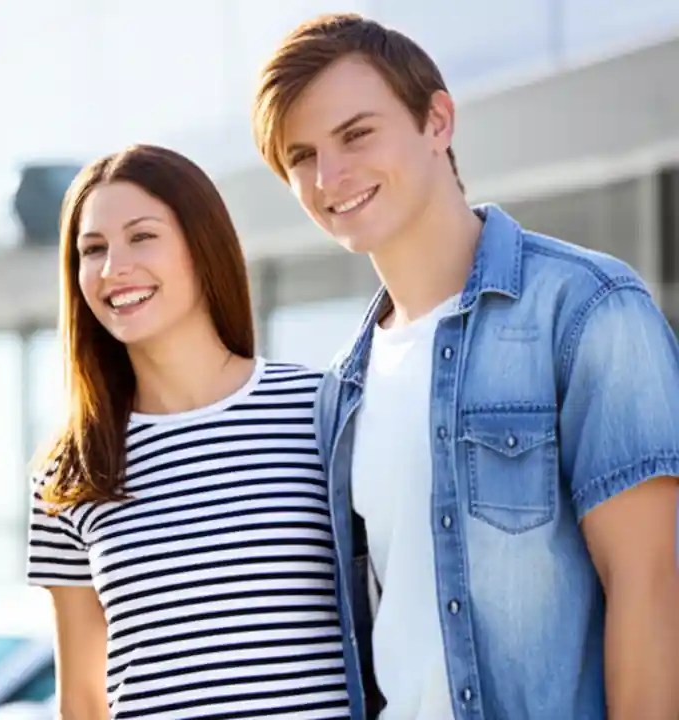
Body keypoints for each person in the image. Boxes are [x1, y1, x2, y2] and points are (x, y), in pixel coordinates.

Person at [252, 13, 679, 720]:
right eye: (301, 156)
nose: (331, 175)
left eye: (357, 134)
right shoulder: (343, 388)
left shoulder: (583, 310)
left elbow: (653, 585)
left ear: (437, 121)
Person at [26, 144, 350, 719]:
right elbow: (81, 700)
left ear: (202, 247)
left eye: (142, 237)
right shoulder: (69, 470)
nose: (112, 267)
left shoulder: (321, 409)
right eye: (92, 249)